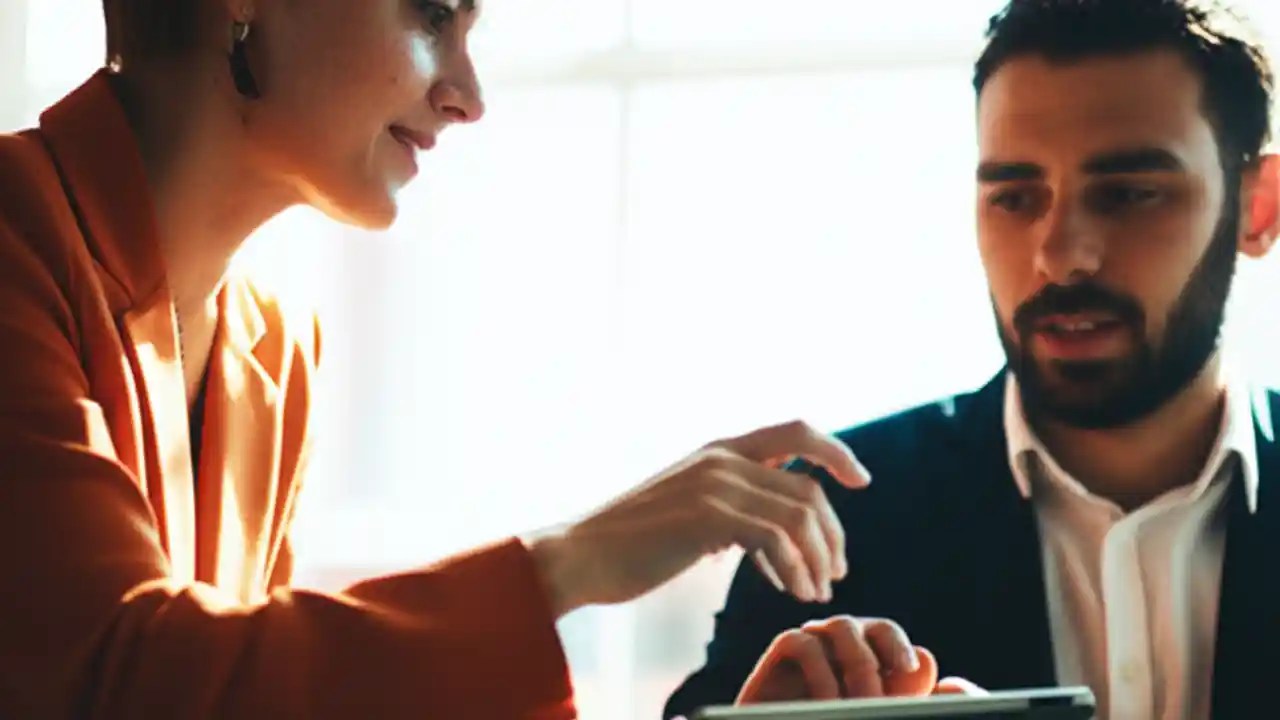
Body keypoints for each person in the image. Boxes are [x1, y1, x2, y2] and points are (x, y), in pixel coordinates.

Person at [0, 1, 888, 717]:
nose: (468, 95)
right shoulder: (15, 237)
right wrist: (569, 563)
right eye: (430, 16)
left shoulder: (271, 348)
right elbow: (113, 680)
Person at [665, 1, 1280, 719]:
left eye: (1128, 195)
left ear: (1257, 208)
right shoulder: (831, 524)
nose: (1060, 257)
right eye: (1014, 198)